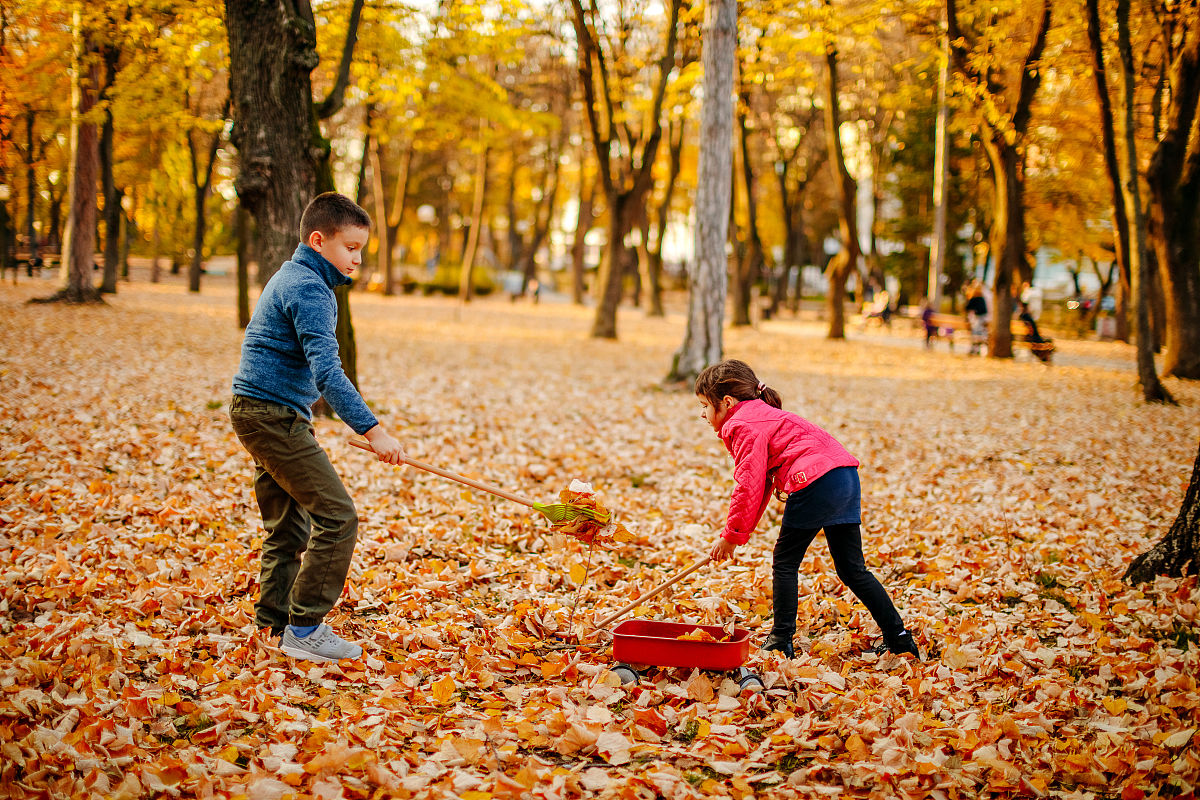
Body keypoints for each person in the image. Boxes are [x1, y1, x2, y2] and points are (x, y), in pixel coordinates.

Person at [230, 192, 406, 663]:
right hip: (270, 416)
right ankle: (305, 627)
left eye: (361, 249)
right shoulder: (309, 288)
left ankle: (273, 625)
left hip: (262, 412)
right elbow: (328, 371)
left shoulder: (294, 277)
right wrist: (374, 431)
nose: (357, 258)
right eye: (350, 247)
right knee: (338, 516)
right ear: (318, 240)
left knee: (289, 526)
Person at [695, 360, 919, 660]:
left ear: (727, 402)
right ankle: (900, 639)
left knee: (785, 562)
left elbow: (748, 484)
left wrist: (732, 536)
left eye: (704, 406)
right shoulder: (765, 415)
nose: (702, 414)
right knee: (852, 569)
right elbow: (759, 482)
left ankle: (779, 641)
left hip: (813, 481)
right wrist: (737, 533)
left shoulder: (741, 425)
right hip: (844, 476)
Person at [965, 283, 989, 356]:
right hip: (977, 318)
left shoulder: (977, 298)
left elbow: (967, 307)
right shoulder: (979, 298)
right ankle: (975, 348)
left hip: (978, 318)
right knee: (977, 333)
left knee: (976, 333)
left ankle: (975, 348)